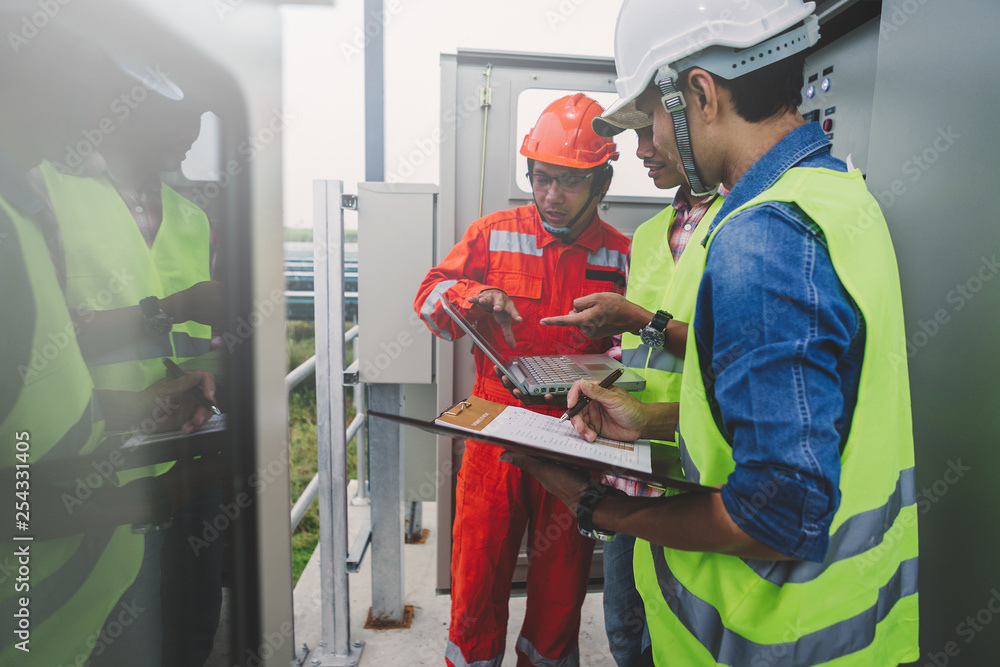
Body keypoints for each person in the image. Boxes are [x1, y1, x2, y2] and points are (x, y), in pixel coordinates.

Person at [502, 1, 919, 665]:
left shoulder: (763, 236)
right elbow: (815, 419)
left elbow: (778, 514)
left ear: (699, 93)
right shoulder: (839, 195)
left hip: (765, 641)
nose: (650, 144)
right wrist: (650, 419)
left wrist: (597, 508)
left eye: (651, 118)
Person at [0, 21, 217, 667]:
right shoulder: (41, 200)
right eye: (86, 76)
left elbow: (47, 368)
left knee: (186, 631)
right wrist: (131, 498)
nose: (194, 128)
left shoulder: (190, 217)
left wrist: (153, 406)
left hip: (157, 465)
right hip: (81, 521)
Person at [414, 93, 631, 667]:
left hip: (574, 432)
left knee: (562, 583)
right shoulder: (491, 234)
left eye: (569, 181)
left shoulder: (624, 256)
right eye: (541, 178)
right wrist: (474, 296)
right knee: (478, 570)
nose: (551, 195)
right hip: (495, 425)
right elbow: (429, 299)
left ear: (602, 183)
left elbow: (634, 352)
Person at [539, 115, 723, 665]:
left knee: (684, 632)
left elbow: (736, 349)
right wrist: (594, 378)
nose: (640, 150)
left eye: (648, 131)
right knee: (624, 626)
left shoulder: (742, 223)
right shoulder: (648, 235)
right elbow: (640, 349)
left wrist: (638, 318)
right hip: (630, 464)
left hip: (695, 470)